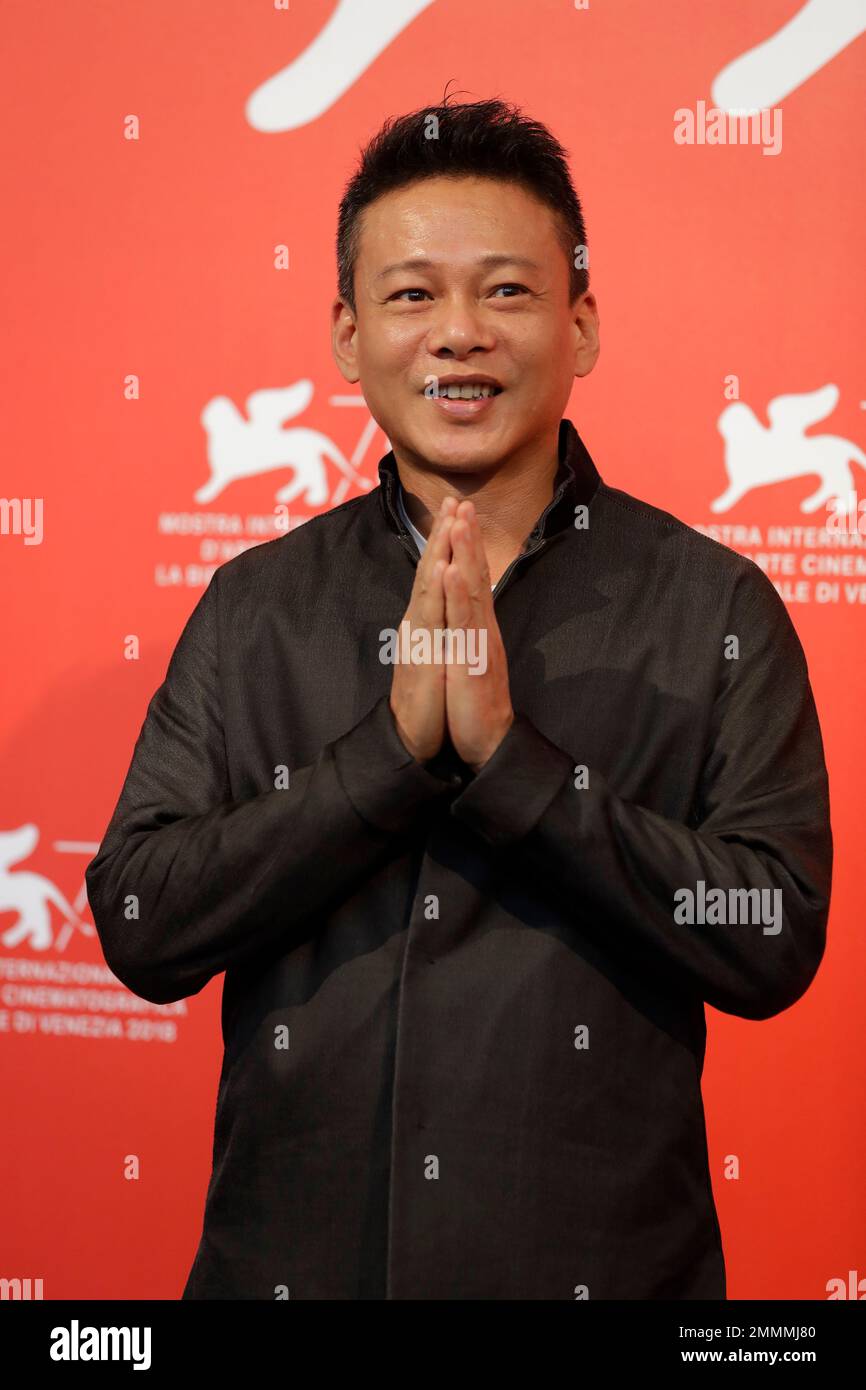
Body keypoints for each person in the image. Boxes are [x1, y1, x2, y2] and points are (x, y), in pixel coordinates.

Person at [85, 98, 833, 1300]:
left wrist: (513, 769)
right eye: (412, 295)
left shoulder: (716, 609)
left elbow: (771, 930)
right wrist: (382, 761)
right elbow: (139, 916)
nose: (459, 335)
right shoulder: (253, 606)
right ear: (346, 333)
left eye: (506, 292)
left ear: (580, 327)